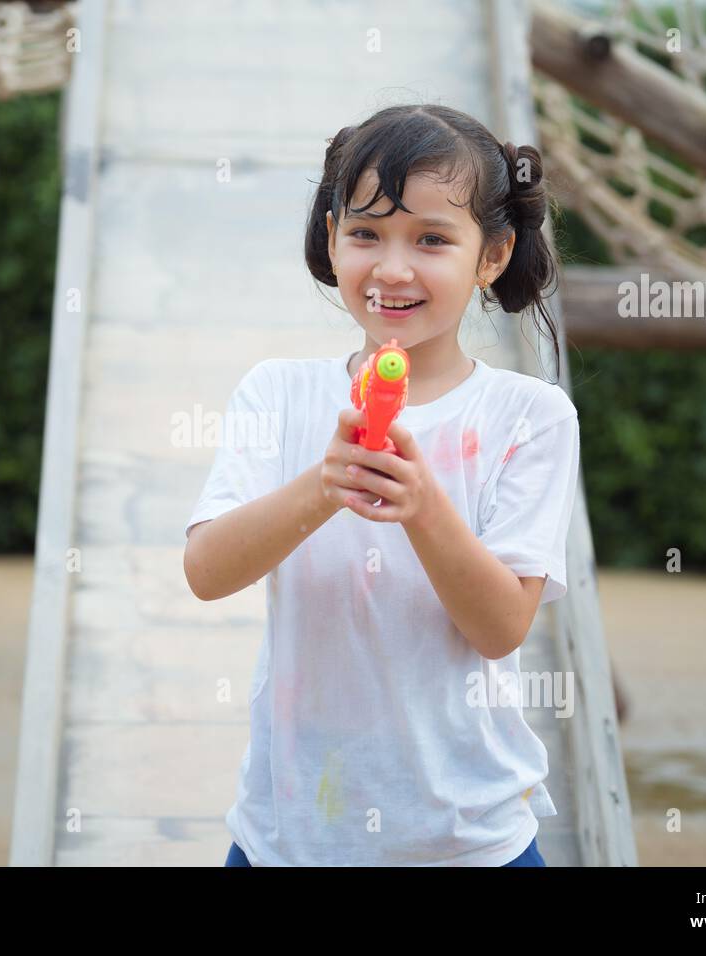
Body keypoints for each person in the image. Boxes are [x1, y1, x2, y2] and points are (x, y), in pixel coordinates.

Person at [183, 104, 578, 866]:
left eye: (433, 239)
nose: (393, 268)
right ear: (331, 239)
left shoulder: (529, 416)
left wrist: (425, 507)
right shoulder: (279, 394)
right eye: (366, 233)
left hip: (471, 840)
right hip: (287, 838)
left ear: (492, 255)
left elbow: (501, 628)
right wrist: (321, 488)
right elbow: (206, 572)